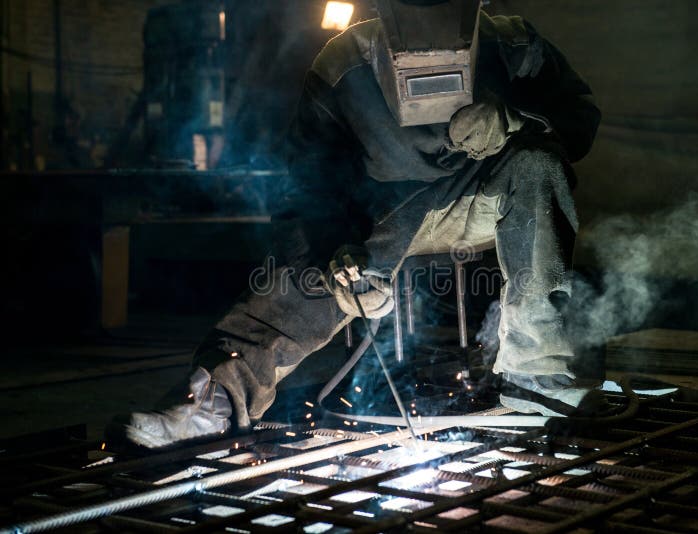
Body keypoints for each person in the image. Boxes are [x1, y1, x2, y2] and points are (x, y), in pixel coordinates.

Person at [119, 0, 603, 449]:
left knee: (540, 165)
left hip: (483, 197)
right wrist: (333, 254)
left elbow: (580, 117)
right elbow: (307, 185)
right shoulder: (342, 65)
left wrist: (521, 118)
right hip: (383, 219)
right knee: (306, 279)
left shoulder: (514, 46)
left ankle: (536, 377)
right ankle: (213, 402)